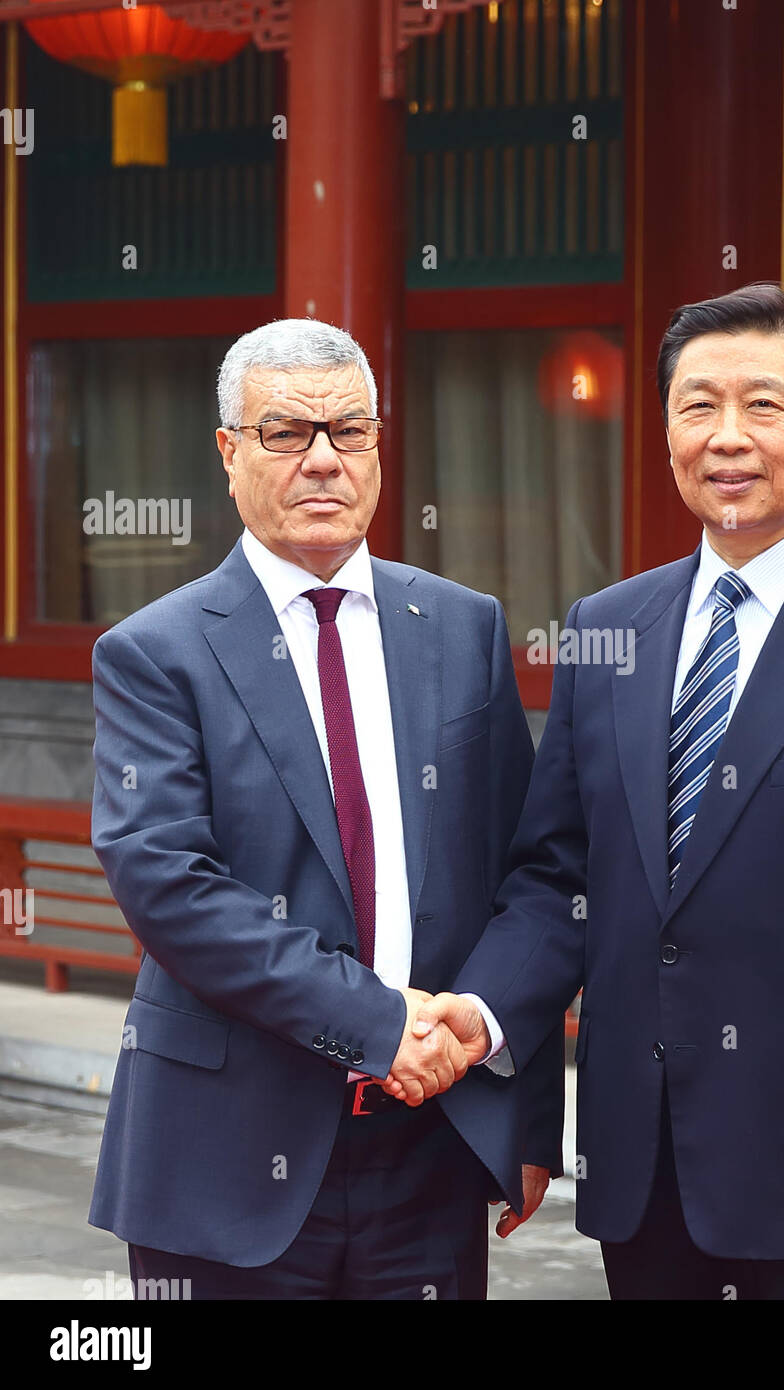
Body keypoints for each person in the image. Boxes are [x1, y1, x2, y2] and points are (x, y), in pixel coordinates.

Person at [390, 283, 784, 1300]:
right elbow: (556, 877)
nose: (726, 436)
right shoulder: (609, 629)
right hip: (645, 1165)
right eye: (695, 405)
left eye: (762, 405)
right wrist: (483, 1011)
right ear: (665, 427)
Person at [88, 319, 562, 1299]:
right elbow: (169, 887)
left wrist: (510, 1093)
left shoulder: (461, 627)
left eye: (348, 431)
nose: (321, 459)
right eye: (284, 432)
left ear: (379, 447)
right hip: (226, 1159)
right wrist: (378, 1021)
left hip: (430, 1148)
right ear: (228, 452)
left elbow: (536, 874)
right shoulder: (156, 652)